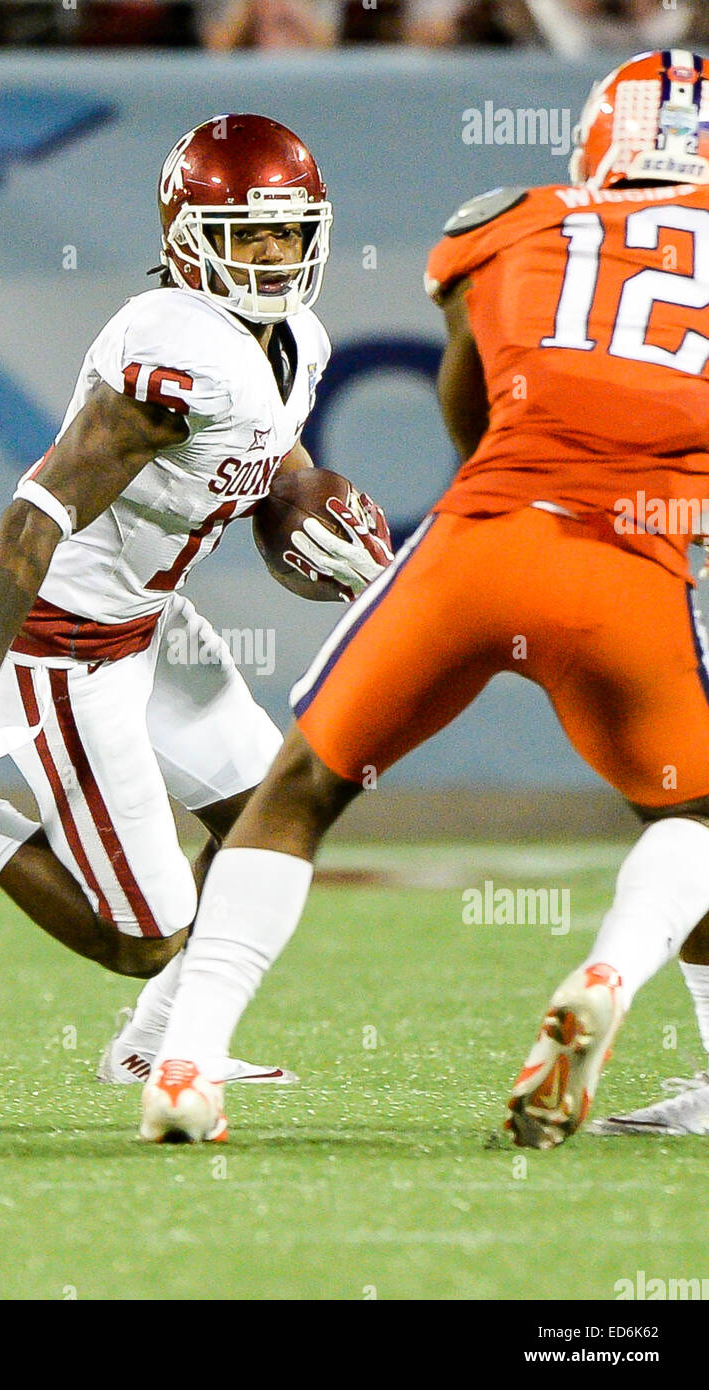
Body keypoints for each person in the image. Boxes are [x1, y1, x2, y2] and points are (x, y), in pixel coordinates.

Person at [139, 50, 709, 1148]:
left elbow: (473, 421)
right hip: (629, 563)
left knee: (300, 788)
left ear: (603, 138)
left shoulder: (509, 221)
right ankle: (611, 971)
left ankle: (185, 1060)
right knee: (693, 814)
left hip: (479, 538)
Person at [0, 114, 391, 1089]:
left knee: (267, 817)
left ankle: (153, 1046)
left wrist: (323, 529)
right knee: (143, 938)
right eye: (248, 232)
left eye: (288, 230)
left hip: (150, 620)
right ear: (189, 239)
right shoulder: (173, 357)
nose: (275, 254)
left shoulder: (294, 342)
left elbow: (275, 465)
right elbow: (33, 514)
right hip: (65, 644)